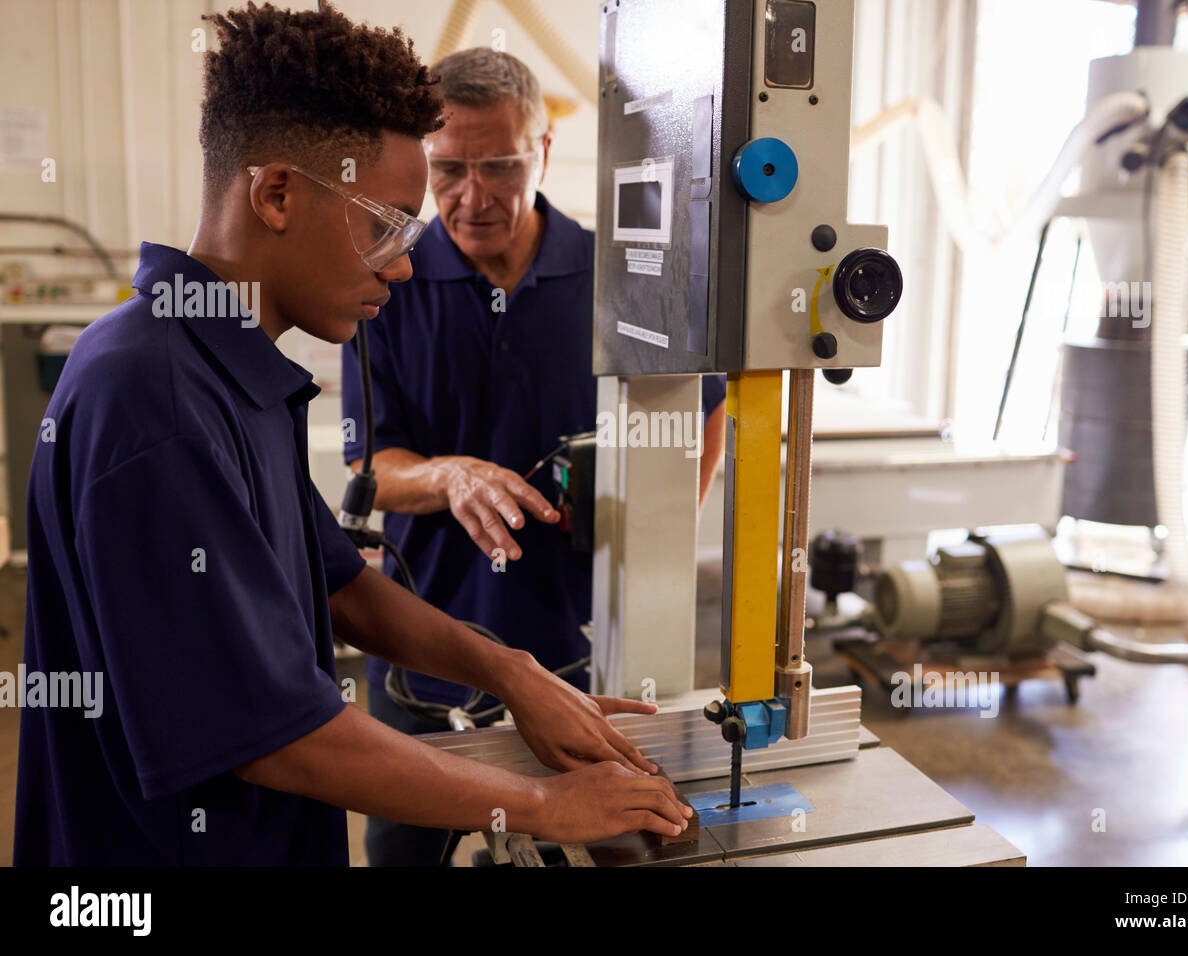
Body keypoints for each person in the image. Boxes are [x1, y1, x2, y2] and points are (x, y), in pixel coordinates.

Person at [15, 1, 689, 867]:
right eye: (387, 225)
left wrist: (510, 672)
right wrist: (539, 805)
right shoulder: (153, 398)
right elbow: (275, 736)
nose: (406, 263)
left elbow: (341, 587)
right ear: (278, 193)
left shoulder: (230, 367)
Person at [340, 47, 725, 866]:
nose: (472, 197)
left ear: (544, 152)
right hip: (423, 663)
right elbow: (370, 469)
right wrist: (448, 474)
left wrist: (657, 533)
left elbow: (709, 406)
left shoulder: (619, 275)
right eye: (447, 171)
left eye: (502, 167)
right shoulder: (386, 280)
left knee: (604, 852)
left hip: (582, 664)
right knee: (407, 854)